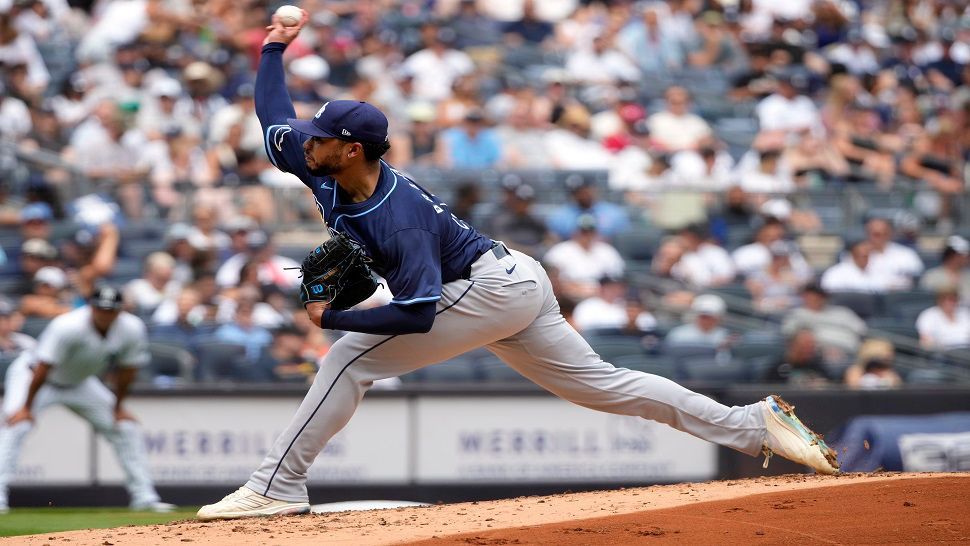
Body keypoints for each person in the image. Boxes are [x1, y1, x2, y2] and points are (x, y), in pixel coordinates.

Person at [196, 12, 840, 521]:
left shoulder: (400, 218)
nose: (306, 141)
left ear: (352, 148)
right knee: (601, 386)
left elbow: (419, 315)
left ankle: (276, 486)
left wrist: (333, 315)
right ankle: (750, 424)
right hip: (513, 281)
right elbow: (272, 115)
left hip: (483, 290)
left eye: (321, 136)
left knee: (346, 357)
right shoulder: (316, 158)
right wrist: (274, 50)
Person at [0, 287, 174, 513]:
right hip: (33, 377)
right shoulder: (68, 325)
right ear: (90, 307)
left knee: (126, 427)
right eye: (100, 309)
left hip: (81, 382)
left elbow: (127, 370)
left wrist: (118, 407)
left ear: (120, 311)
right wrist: (26, 407)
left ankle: (145, 497)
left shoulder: (131, 328)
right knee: (17, 426)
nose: (105, 314)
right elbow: (43, 367)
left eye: (111, 310)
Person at [781, 282, 867, 365]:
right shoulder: (798, 314)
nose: (815, 298)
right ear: (804, 296)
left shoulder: (842, 312)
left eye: (820, 295)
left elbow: (862, 330)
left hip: (856, 348)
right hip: (825, 352)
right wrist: (821, 349)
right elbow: (789, 333)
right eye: (811, 295)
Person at [762, 329, 831, 386]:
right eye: (804, 346)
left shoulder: (817, 367)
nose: (808, 350)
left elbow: (829, 385)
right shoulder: (777, 368)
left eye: (811, 346)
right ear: (792, 345)